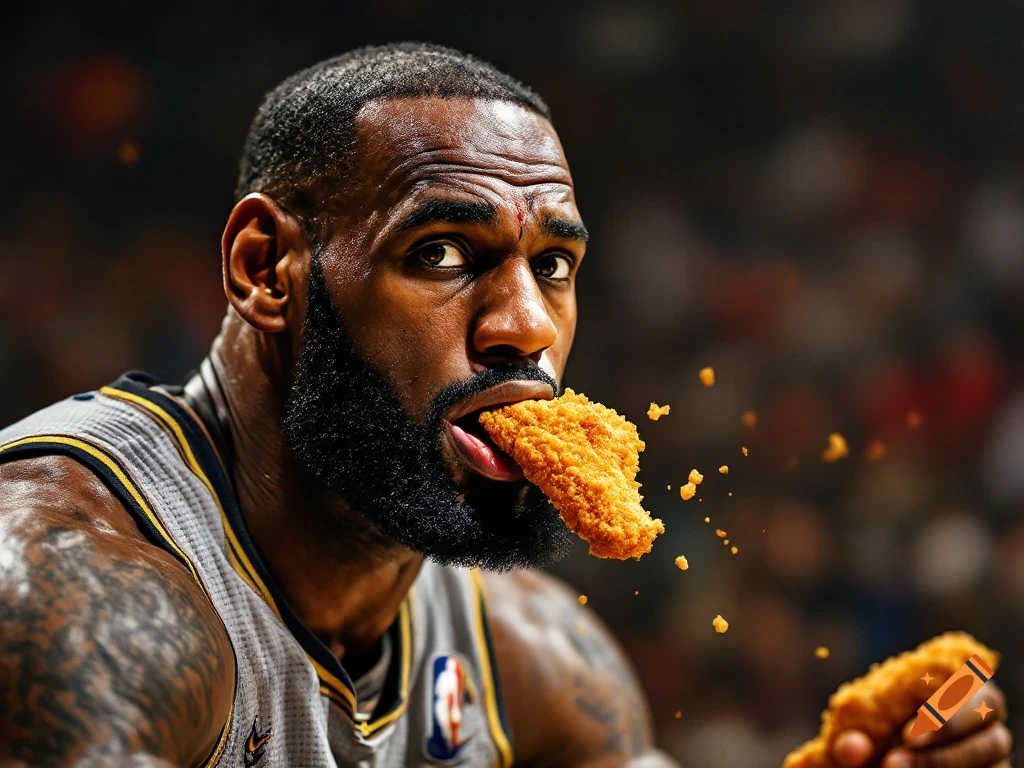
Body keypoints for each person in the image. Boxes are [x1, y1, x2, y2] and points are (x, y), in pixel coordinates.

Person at [0, 43, 1010, 768]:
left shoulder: (530, 652)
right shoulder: (71, 593)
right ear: (267, 269)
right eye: (440, 253)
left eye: (556, 263)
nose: (525, 327)